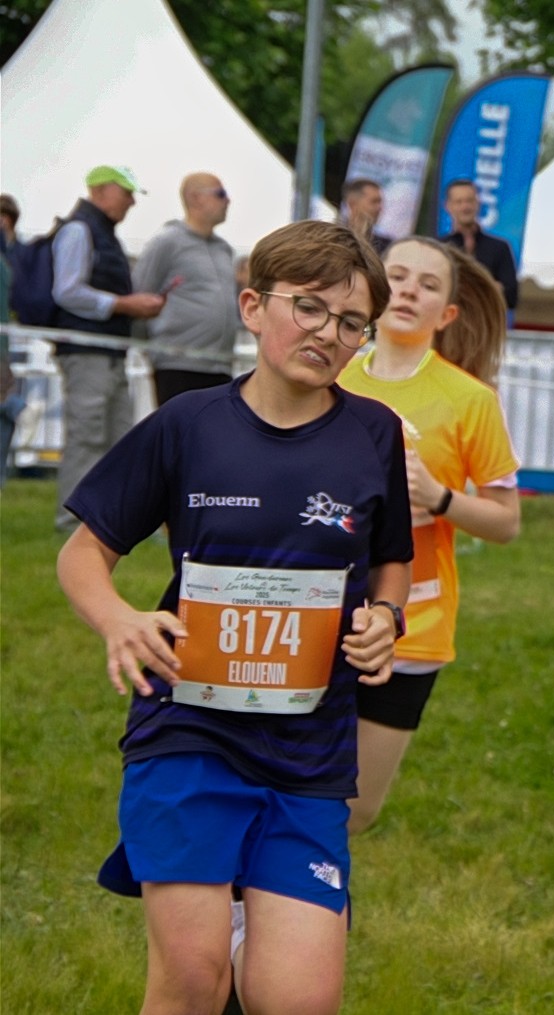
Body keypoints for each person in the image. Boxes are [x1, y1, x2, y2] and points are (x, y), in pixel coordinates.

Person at [55, 219, 411, 1014]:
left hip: (310, 750)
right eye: (309, 307)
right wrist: (118, 619)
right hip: (189, 730)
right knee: (192, 979)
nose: (328, 333)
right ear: (253, 306)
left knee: (298, 1000)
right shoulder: (187, 424)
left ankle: (252, 911)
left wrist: (387, 615)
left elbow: (393, 557)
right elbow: (82, 554)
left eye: (352, 322)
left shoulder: (373, 433)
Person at [339, 238, 521, 833]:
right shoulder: (330, 374)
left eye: (428, 284)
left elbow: (506, 522)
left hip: (411, 627)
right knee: (285, 784)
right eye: (397, 276)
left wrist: (437, 496)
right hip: (314, 611)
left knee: (354, 809)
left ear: (447, 313)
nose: (409, 290)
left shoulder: (471, 399)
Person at [50, 165, 166, 532]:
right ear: (101, 190)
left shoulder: (102, 233)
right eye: (126, 193)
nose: (132, 202)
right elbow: (67, 291)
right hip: (86, 351)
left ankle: (112, 522)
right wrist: (124, 305)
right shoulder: (78, 230)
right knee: (87, 437)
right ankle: (72, 522)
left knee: (117, 438)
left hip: (109, 352)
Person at [133, 173, 241, 404]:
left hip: (220, 365)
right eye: (220, 194)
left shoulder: (224, 249)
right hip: (177, 364)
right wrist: (152, 349)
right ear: (195, 198)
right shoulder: (166, 242)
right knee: (179, 427)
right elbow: (140, 295)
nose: (228, 200)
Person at [440, 179, 519, 310]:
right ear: (448, 206)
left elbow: (511, 297)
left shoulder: (500, 247)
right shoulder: (440, 248)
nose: (465, 207)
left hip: (486, 320)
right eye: (459, 202)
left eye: (470, 201)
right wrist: (490, 286)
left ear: (478, 203)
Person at [342, 178, 391, 257]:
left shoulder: (386, 246)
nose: (379, 208)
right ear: (352, 204)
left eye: (380, 202)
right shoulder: (334, 239)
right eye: (374, 201)